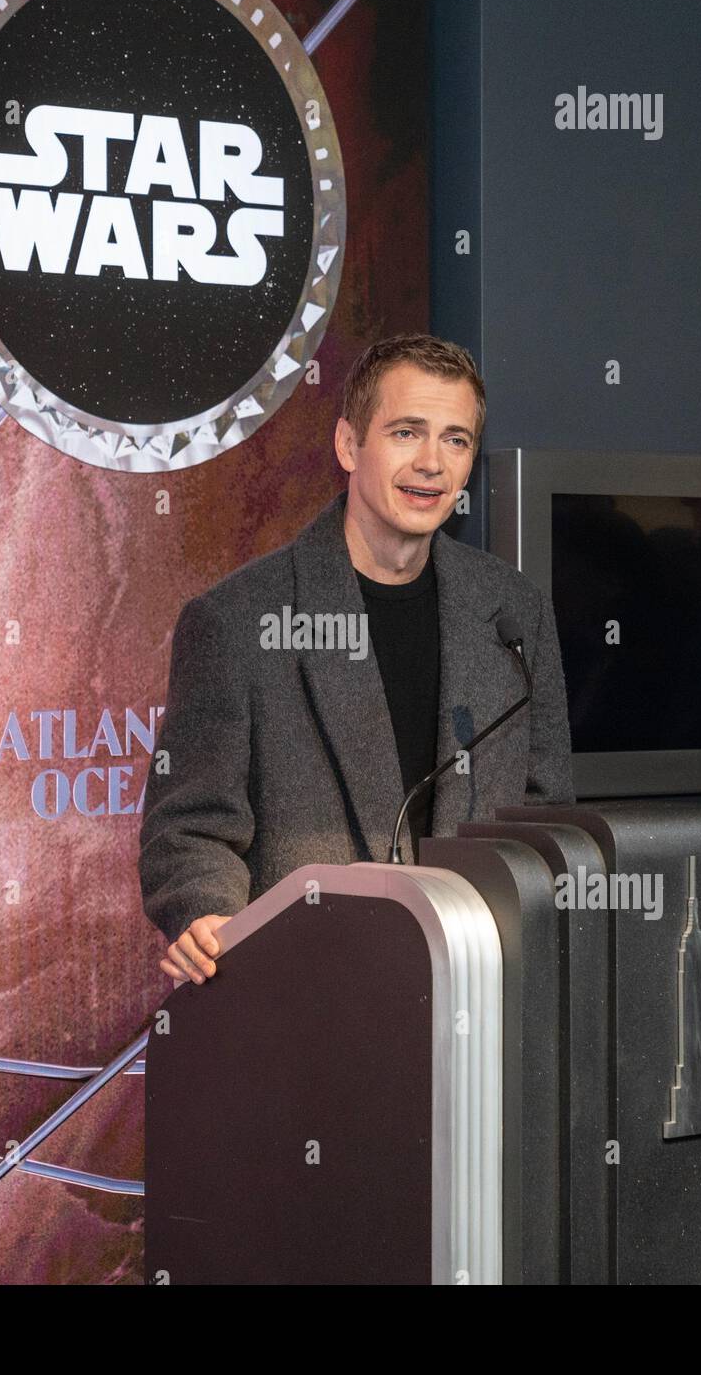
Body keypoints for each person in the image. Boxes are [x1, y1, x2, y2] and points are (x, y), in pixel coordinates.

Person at [140, 333, 574, 985]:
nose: (432, 462)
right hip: (307, 996)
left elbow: (547, 815)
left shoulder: (514, 613)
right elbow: (190, 830)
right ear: (349, 445)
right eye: (406, 433)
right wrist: (206, 914)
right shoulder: (234, 621)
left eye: (455, 440)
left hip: (482, 991)